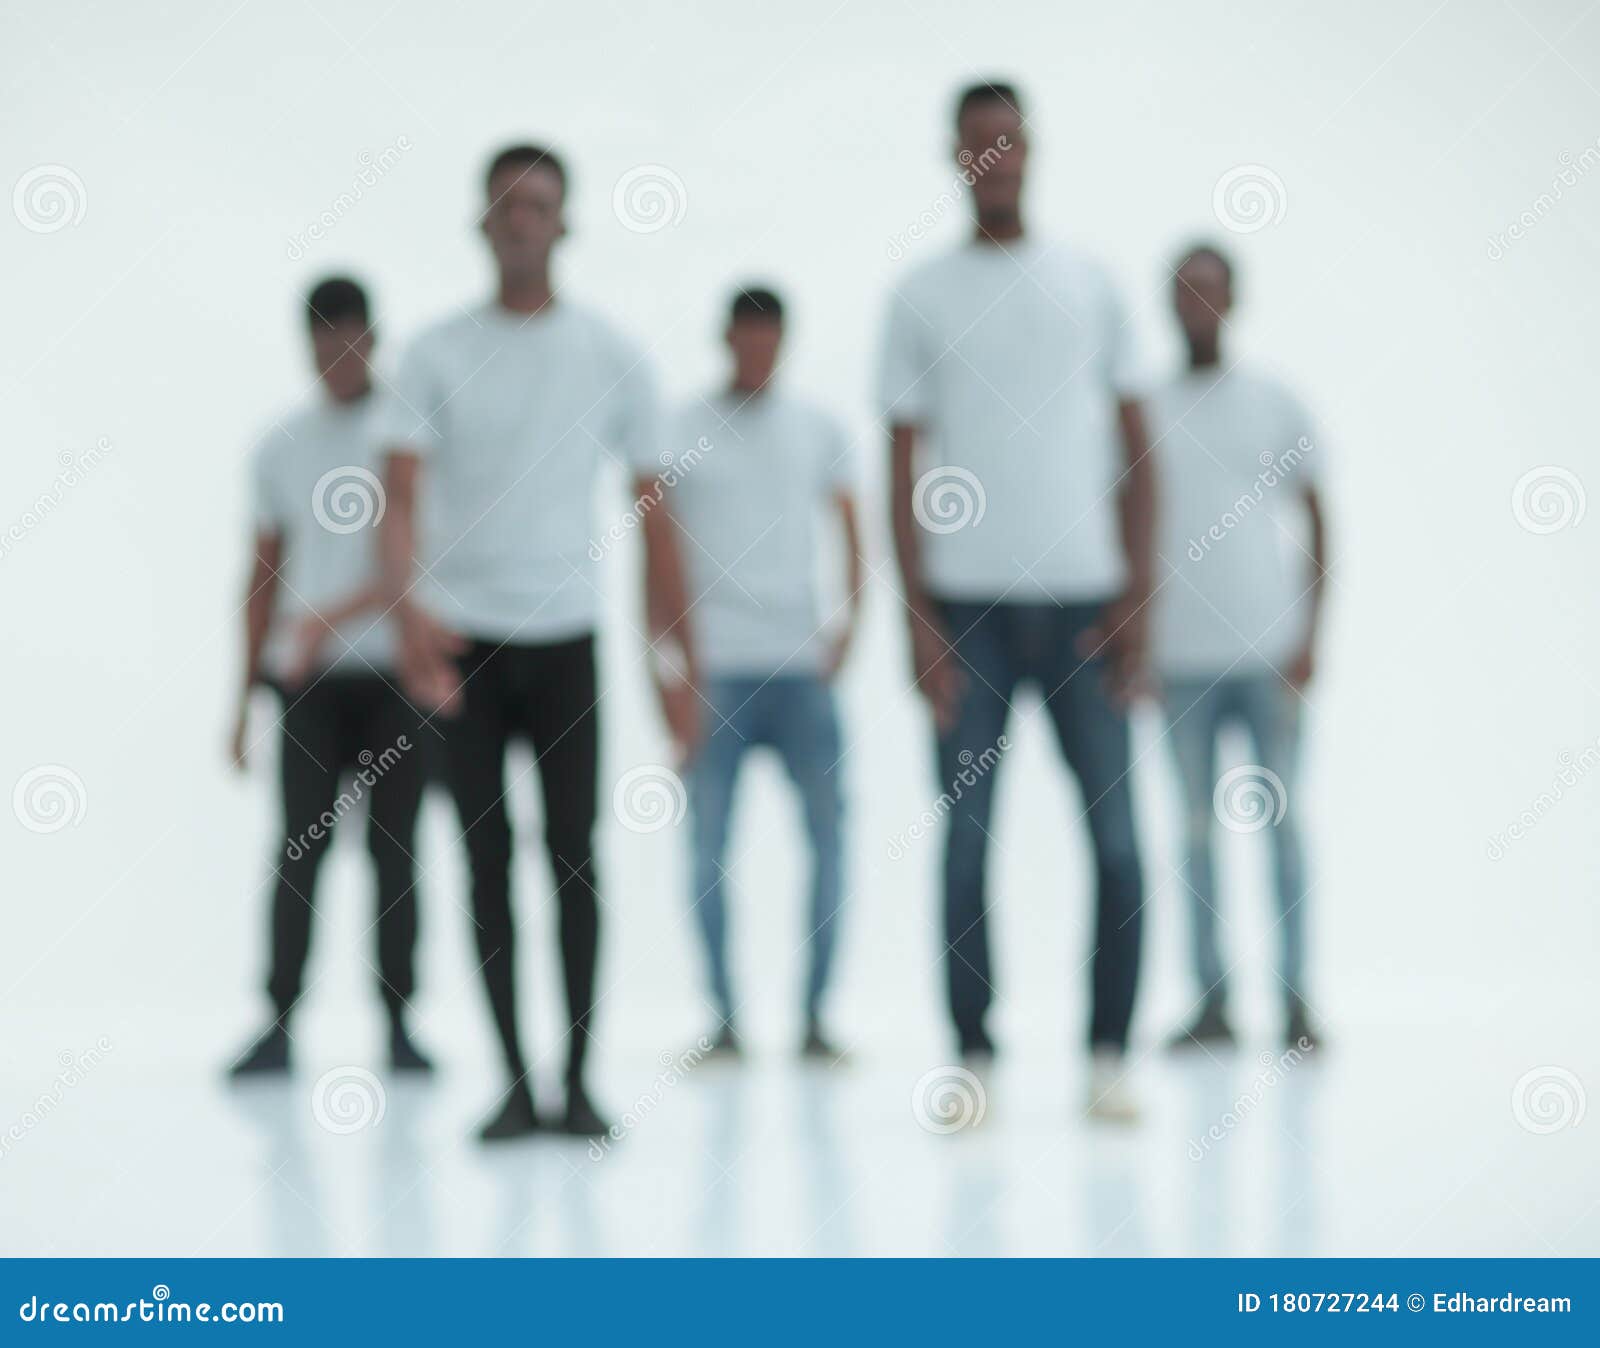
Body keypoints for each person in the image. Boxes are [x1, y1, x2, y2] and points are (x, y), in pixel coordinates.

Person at [379, 144, 698, 1141]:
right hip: (463, 646)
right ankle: (517, 1084)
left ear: (565, 224)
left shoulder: (610, 354)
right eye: (507, 204)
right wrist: (410, 623)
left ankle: (580, 1080)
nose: (521, 220)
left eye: (539, 204)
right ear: (483, 223)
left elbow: (654, 517)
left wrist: (675, 664)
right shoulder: (433, 353)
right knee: (485, 862)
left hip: (565, 642)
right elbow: (396, 499)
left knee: (574, 859)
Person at [878, 82, 1156, 1121]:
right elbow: (899, 465)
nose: (993, 158)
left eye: (1007, 141)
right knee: (965, 843)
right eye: (975, 144)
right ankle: (974, 1057)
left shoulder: (1090, 282)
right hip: (969, 618)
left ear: (1030, 149)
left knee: (1118, 842)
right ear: (954, 157)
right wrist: (917, 623)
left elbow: (1140, 451)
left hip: (1086, 610)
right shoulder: (920, 294)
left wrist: (1139, 603)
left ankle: (1109, 1056)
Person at [228, 276, 431, 1078]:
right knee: (298, 852)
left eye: (349, 342)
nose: (336, 358)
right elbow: (262, 574)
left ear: (372, 341)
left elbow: (420, 559)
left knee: (395, 855)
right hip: (308, 687)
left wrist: (327, 617)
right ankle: (278, 1021)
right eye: (322, 343)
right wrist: (241, 697)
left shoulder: (405, 436)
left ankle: (399, 1024)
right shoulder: (281, 446)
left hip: (392, 680)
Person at [664, 286, 863, 1061]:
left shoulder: (817, 428)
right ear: (726, 338)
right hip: (715, 669)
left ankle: (814, 1020)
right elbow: (656, 555)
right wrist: (668, 668)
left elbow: (852, 528)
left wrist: (848, 628)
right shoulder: (682, 429)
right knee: (707, 849)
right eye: (746, 337)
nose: (757, 351)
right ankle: (724, 1022)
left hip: (799, 669)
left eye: (769, 338)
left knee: (829, 842)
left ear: (783, 341)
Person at [1149, 243, 1328, 1052]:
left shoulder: (1274, 402)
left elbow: (1318, 518)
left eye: (1210, 290)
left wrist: (1311, 634)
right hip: (1178, 660)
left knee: (1281, 829)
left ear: (1233, 300)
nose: (1198, 305)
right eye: (1185, 292)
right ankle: (1212, 1003)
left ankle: (1295, 1003)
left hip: (1267, 653)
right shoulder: (1145, 407)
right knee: (1194, 835)